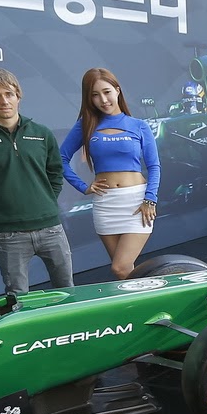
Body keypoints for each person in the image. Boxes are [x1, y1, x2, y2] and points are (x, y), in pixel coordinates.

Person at [0, 68, 71, 293]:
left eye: (9, 94)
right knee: (17, 297)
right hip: (8, 234)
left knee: (67, 289)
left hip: (51, 228)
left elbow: (56, 173)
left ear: (18, 96)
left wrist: (45, 201)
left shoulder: (41, 133)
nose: (4, 101)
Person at [60, 68, 163, 280]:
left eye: (107, 92)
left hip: (136, 202)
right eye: (95, 95)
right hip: (106, 205)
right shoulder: (86, 125)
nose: (103, 99)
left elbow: (154, 166)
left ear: (117, 90)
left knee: (120, 267)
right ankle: (141, 309)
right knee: (125, 273)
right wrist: (83, 186)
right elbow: (59, 159)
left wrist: (150, 199)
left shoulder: (139, 126)